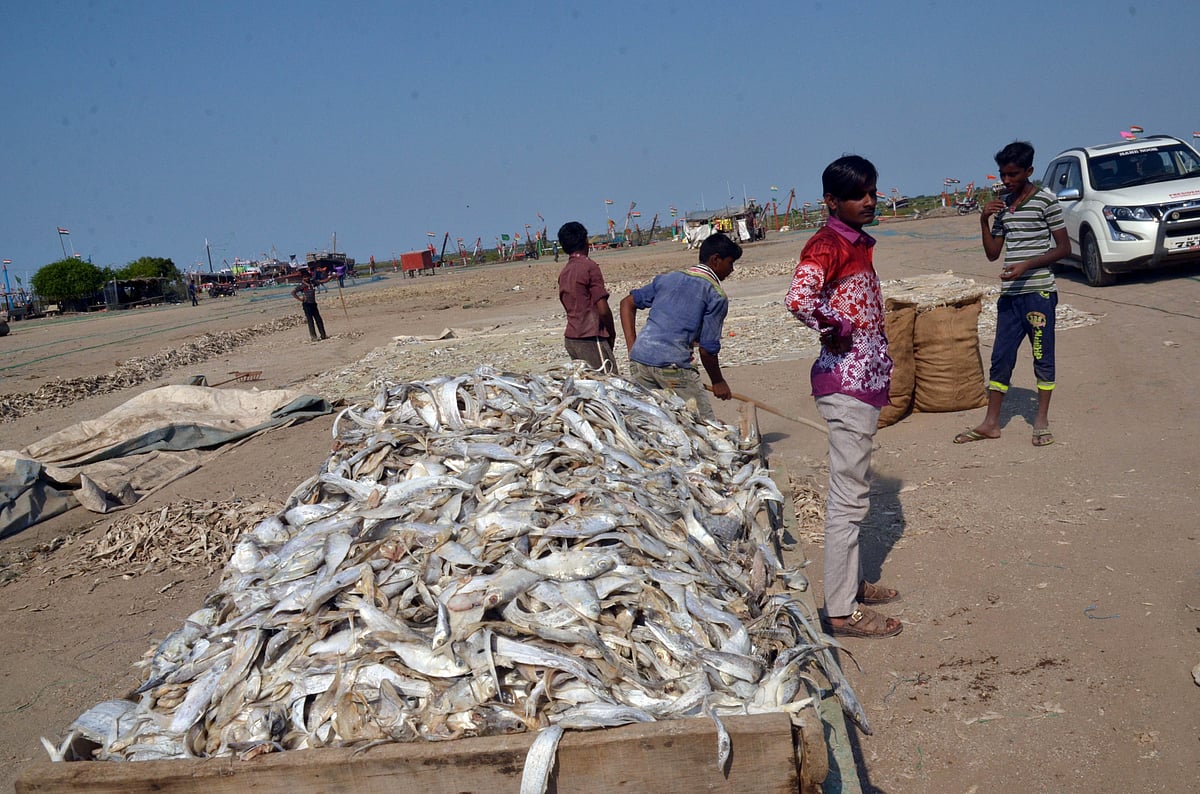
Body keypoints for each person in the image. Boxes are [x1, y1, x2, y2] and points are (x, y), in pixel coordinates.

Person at [785, 154, 901, 639]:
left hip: (861, 382)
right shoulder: (828, 244)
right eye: (858, 195)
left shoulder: (854, 244)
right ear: (832, 201)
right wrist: (835, 327)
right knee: (848, 500)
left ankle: (850, 585)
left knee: (854, 491)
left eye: (872, 191)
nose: (869, 201)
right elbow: (799, 298)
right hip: (846, 383)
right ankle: (839, 610)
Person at [954, 141, 1069, 448]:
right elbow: (993, 254)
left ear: (1029, 171)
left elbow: (1063, 248)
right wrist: (984, 220)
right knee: (1001, 357)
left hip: (1039, 293)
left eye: (1013, 174)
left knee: (1043, 356)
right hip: (1011, 295)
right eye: (1002, 174)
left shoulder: (1046, 201)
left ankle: (1040, 421)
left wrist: (1027, 265)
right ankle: (991, 423)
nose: (1006, 181)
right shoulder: (1004, 205)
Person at [620, 232, 741, 420]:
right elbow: (707, 350)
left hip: (639, 361)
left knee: (656, 423)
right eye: (730, 263)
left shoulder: (669, 278)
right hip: (673, 366)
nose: (731, 269)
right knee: (704, 426)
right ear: (716, 260)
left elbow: (627, 303)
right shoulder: (715, 295)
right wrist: (718, 381)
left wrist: (633, 348)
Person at [557, 221, 619, 374]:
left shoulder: (565, 271)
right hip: (590, 337)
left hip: (572, 337)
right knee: (609, 383)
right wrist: (611, 333)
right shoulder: (589, 267)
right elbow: (602, 308)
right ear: (585, 241)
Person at [292, 271, 328, 341]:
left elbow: (323, 281)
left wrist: (331, 277)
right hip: (307, 304)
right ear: (302, 278)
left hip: (313, 304)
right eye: (305, 277)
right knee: (310, 321)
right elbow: (293, 292)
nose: (307, 278)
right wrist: (300, 299)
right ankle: (313, 337)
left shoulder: (312, 283)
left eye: (307, 276)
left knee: (319, 320)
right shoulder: (301, 285)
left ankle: (323, 335)